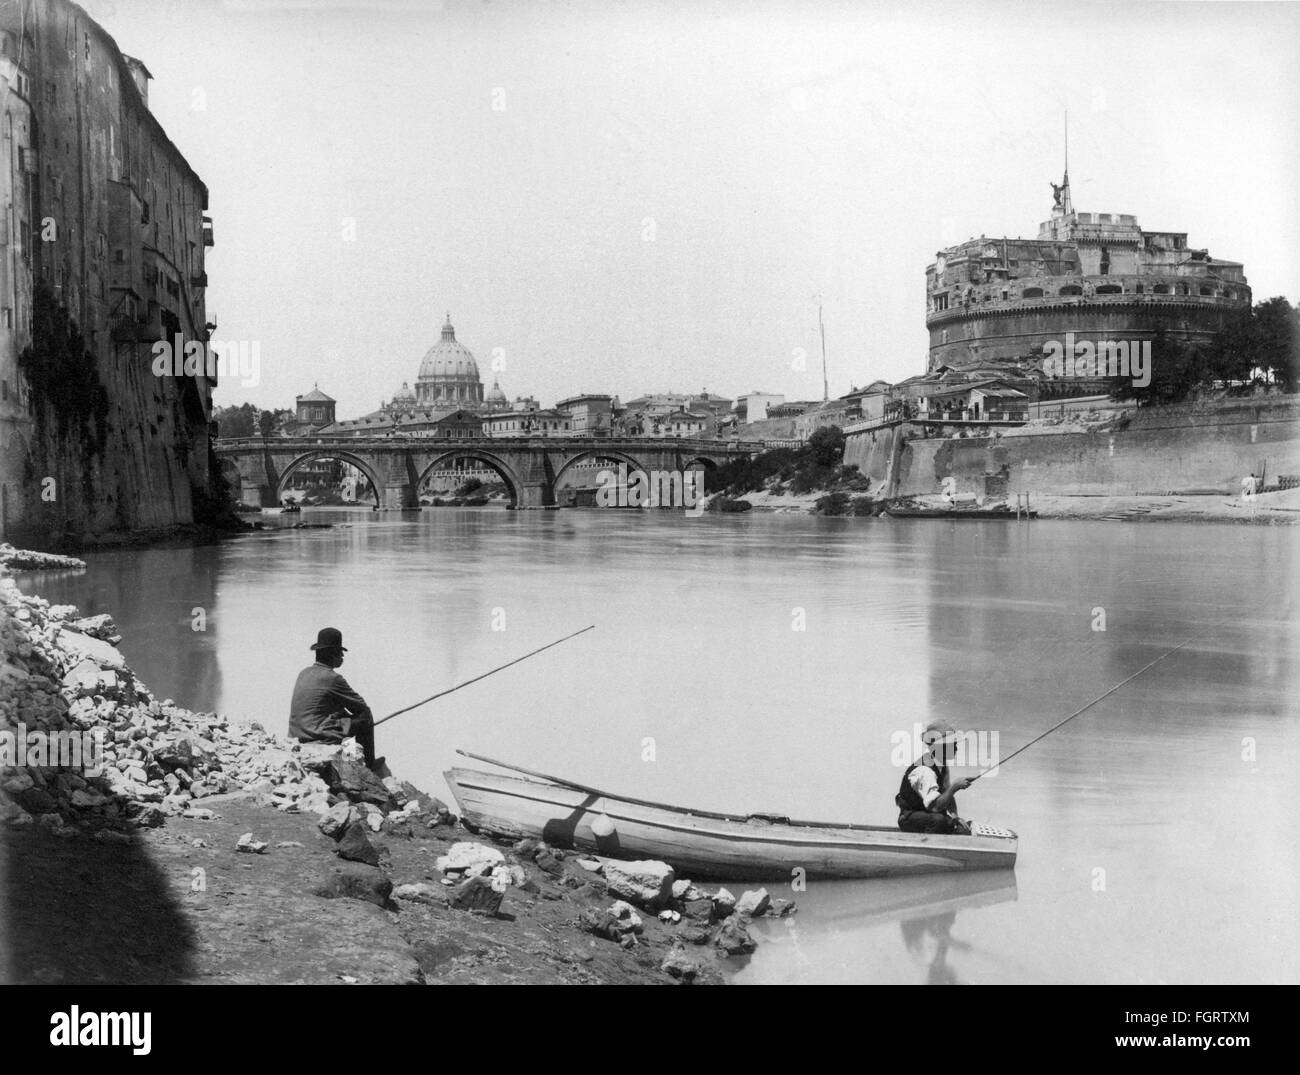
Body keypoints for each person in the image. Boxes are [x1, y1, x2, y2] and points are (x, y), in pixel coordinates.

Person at [289, 627, 382, 772]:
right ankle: (366, 766)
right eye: (340, 653)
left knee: (344, 717)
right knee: (365, 717)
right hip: (316, 733)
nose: (342, 657)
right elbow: (362, 708)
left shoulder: (304, 673)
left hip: (297, 733)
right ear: (332, 654)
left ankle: (351, 759)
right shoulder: (333, 678)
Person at [896, 721, 973, 835]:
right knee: (939, 820)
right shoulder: (924, 770)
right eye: (953, 745)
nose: (956, 748)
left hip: (927, 815)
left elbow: (947, 794)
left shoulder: (941, 764)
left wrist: (955, 817)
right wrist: (954, 787)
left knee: (959, 825)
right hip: (910, 819)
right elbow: (935, 807)